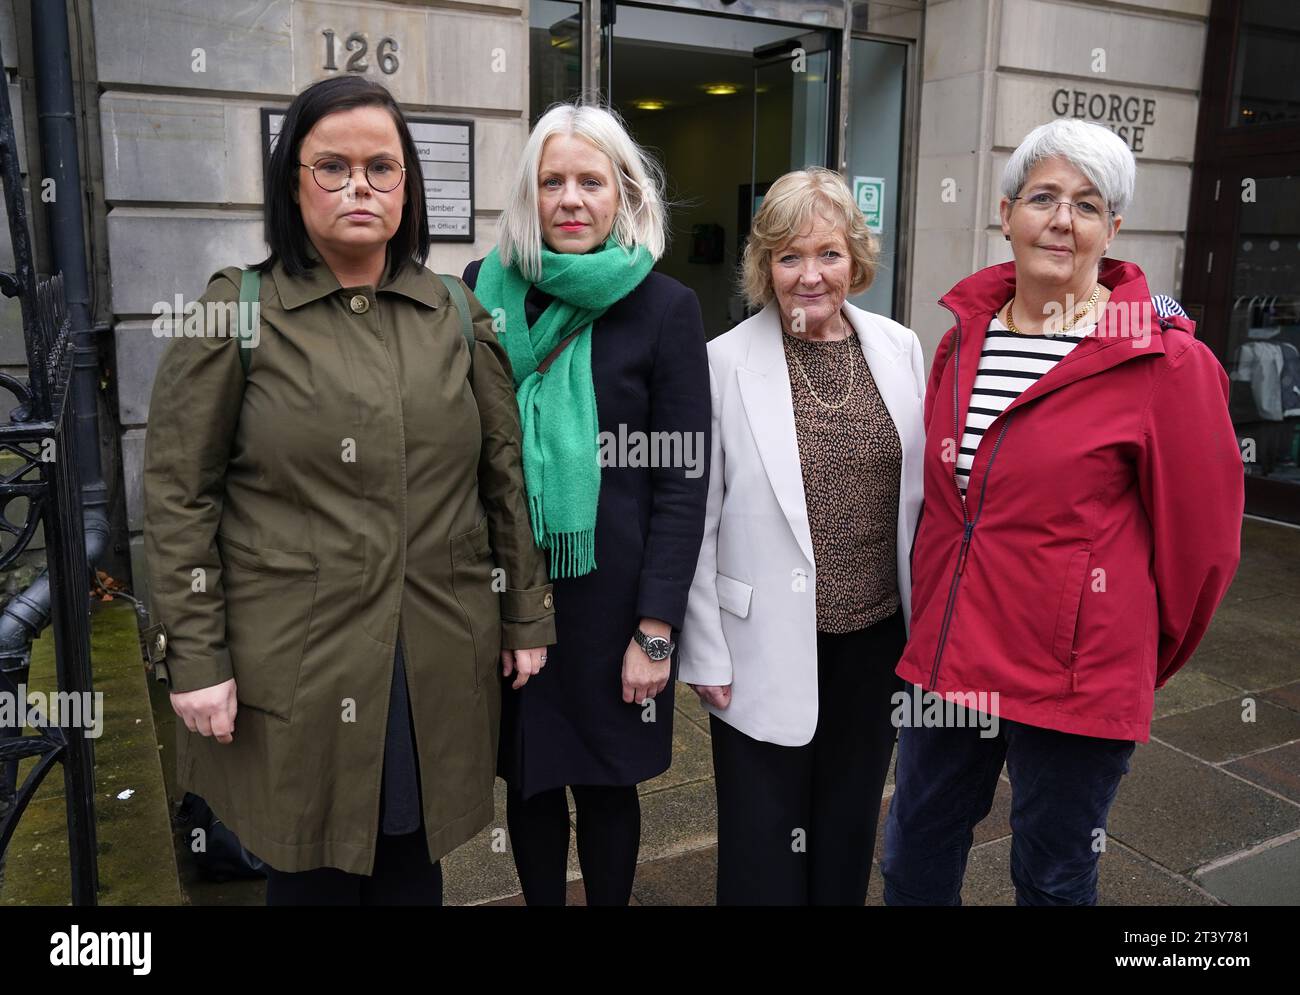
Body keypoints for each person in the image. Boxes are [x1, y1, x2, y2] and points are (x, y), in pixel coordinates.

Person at [143, 75, 554, 905]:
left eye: (382, 167)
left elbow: (501, 479)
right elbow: (181, 495)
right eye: (331, 166)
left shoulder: (457, 313)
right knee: (312, 868)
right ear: (292, 183)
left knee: (412, 861)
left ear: (409, 184)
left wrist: (524, 616)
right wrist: (195, 655)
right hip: (296, 661)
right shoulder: (237, 312)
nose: (360, 185)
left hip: (431, 653)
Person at [882, 118, 1243, 906]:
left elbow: (1204, 548)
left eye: (1087, 204)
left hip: (1078, 679)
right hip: (951, 658)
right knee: (912, 857)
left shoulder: (1165, 360)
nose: (1061, 220)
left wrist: (1128, 655)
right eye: (1043, 197)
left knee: (1051, 878)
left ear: (1112, 229)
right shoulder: (960, 342)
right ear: (1005, 211)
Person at [462, 102, 710, 906]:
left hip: (615, 606)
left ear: (624, 194)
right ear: (528, 195)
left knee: (608, 787)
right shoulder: (482, 290)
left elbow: (683, 483)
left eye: (591, 181)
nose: (570, 198)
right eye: (552, 181)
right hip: (511, 594)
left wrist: (657, 631)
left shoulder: (665, 307)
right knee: (530, 784)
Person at [678, 167, 926, 905]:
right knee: (762, 842)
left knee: (848, 829)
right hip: (759, 643)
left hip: (875, 639)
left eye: (828, 254)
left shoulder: (900, 347)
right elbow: (697, 519)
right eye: (789, 257)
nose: (810, 276)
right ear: (764, 266)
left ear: (856, 258)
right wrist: (702, 647)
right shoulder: (722, 362)